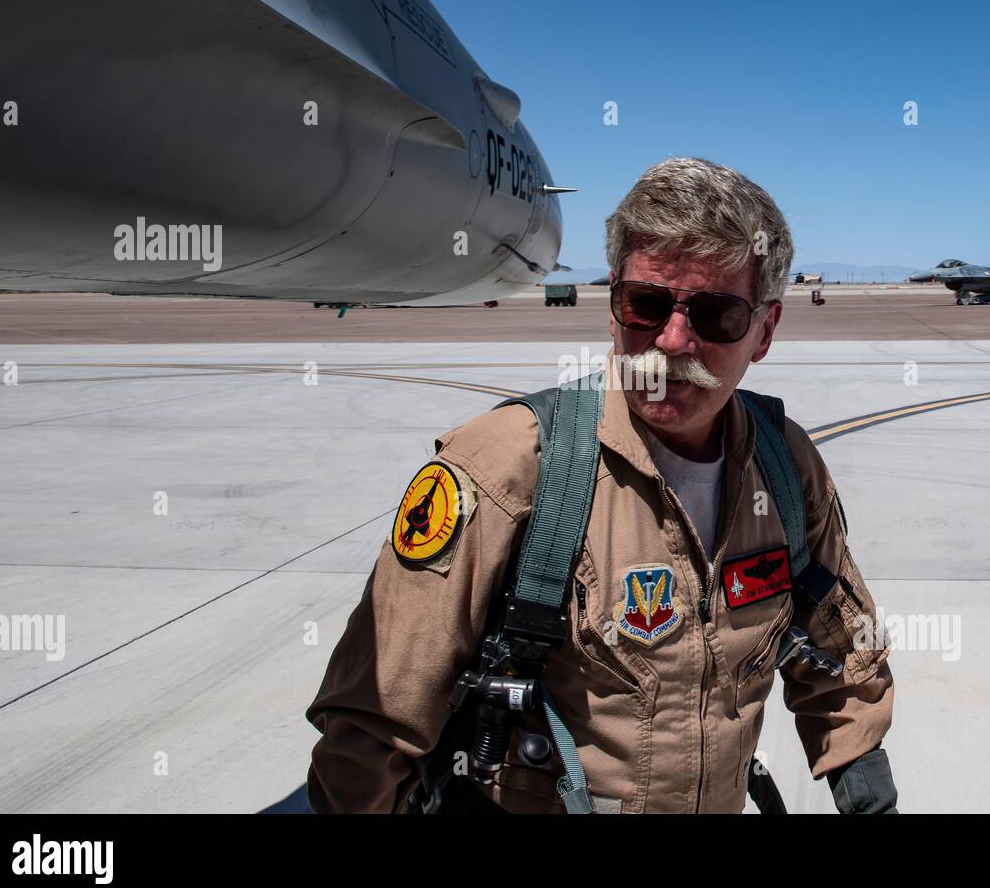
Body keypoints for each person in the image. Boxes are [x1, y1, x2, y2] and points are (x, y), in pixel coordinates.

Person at [305, 157, 897, 813]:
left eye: (715, 315)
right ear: (613, 306)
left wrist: (869, 797)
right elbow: (372, 730)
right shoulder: (509, 467)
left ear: (764, 330)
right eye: (645, 305)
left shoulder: (785, 469)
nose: (671, 340)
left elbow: (841, 663)